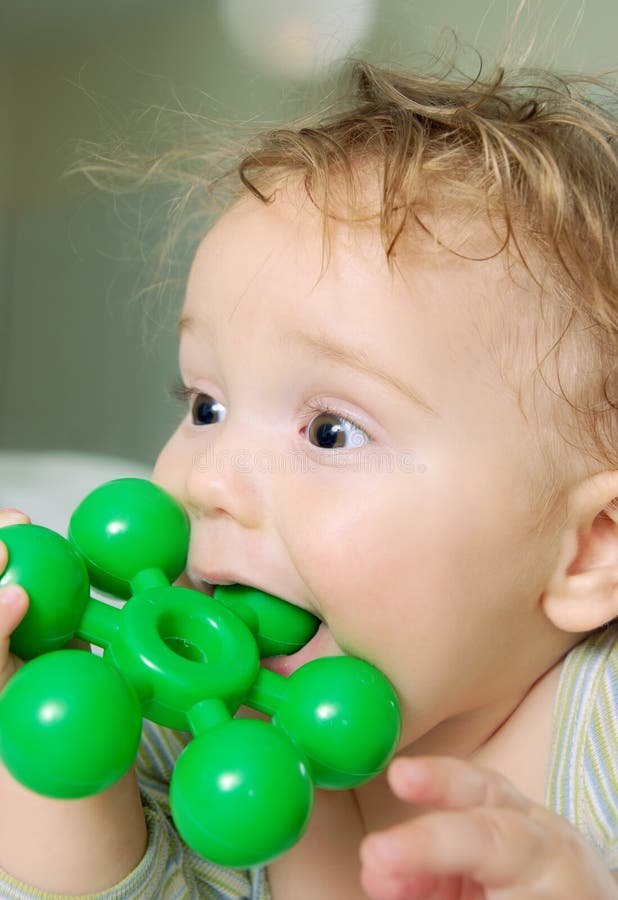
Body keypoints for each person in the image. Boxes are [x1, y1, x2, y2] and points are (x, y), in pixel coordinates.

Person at [0, 52, 617, 900]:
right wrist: (51, 760)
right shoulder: (172, 737)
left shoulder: (606, 725)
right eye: (205, 404)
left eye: (330, 431)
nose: (210, 477)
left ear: (591, 549)